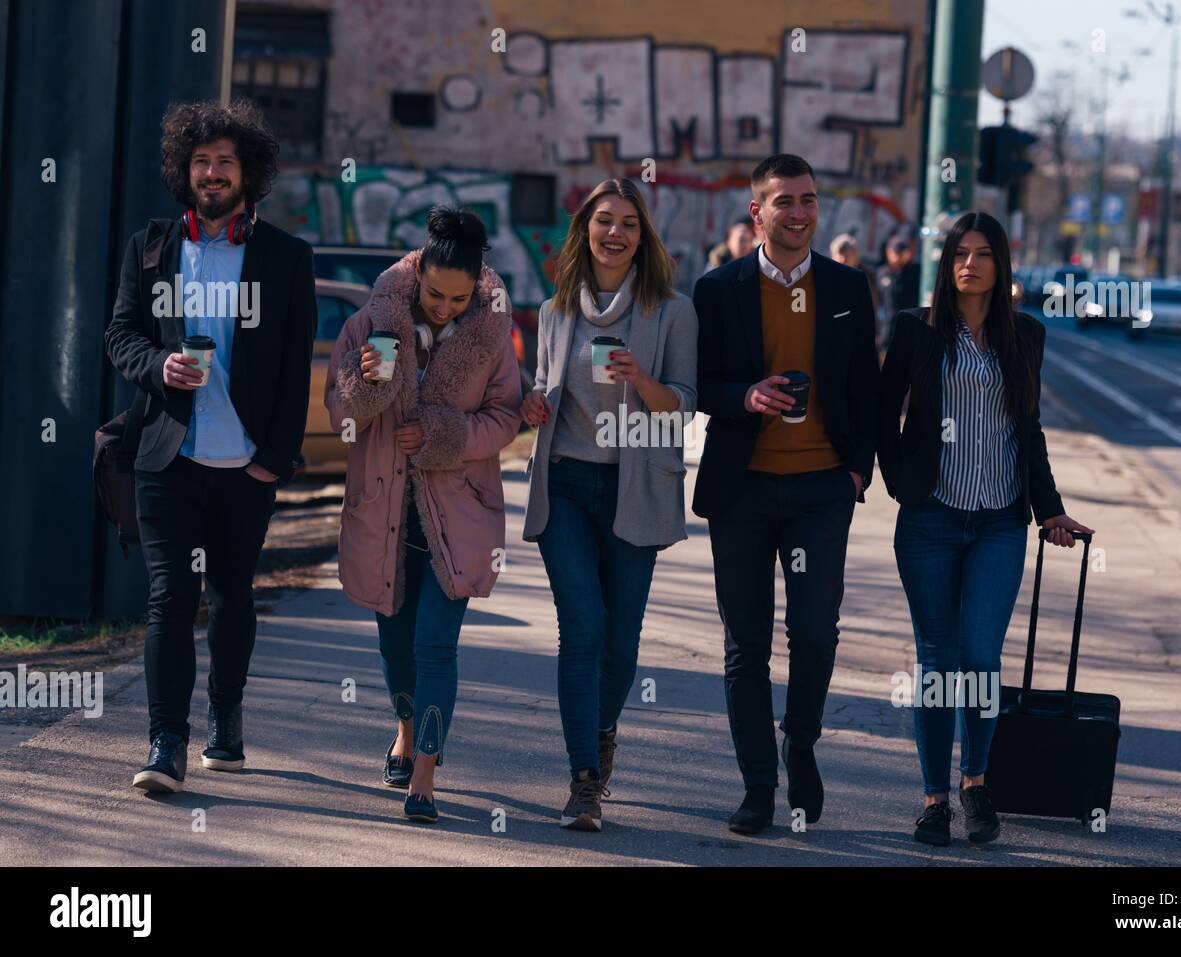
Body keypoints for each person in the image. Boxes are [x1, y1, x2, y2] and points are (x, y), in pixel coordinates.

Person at [105, 99, 316, 793]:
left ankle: (226, 716)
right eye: (201, 161)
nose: (213, 172)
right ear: (184, 171)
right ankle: (166, 741)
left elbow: (293, 369)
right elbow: (121, 335)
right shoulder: (154, 245)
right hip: (168, 456)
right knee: (170, 596)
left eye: (226, 160)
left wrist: (272, 457)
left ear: (247, 172)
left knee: (231, 596)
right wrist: (155, 366)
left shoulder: (286, 257)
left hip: (244, 464)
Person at [877, 211, 1093, 847]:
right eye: (959, 254)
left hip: (1000, 521)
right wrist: (900, 482)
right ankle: (933, 799)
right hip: (930, 521)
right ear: (946, 264)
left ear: (1002, 265)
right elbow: (882, 413)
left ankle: (975, 783)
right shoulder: (916, 329)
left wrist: (1048, 506)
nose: (969, 264)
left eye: (983, 254)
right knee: (938, 662)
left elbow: (1029, 431)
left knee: (978, 656)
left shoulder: (1025, 334)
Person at [692, 154, 878, 835]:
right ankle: (757, 785)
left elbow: (868, 388)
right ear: (757, 212)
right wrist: (742, 394)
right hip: (742, 490)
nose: (798, 213)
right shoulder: (718, 290)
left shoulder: (849, 287)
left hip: (822, 490)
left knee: (814, 630)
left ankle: (800, 742)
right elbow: (695, 383)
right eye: (783, 202)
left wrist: (856, 471)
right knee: (746, 645)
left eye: (807, 200)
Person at [324, 207, 522, 823]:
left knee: (436, 648)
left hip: (457, 519)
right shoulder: (369, 322)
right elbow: (341, 416)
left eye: (459, 298)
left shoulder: (491, 333)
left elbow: (506, 418)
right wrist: (364, 386)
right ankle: (404, 733)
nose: (445, 306)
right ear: (417, 275)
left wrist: (442, 433)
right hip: (383, 511)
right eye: (436, 293)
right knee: (395, 646)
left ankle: (426, 777)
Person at [520, 178, 698, 832]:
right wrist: (531, 404)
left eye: (627, 222)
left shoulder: (672, 311)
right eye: (603, 222)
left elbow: (685, 406)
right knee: (583, 629)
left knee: (621, 645)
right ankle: (583, 779)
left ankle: (601, 732)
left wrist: (642, 381)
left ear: (641, 234)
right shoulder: (554, 311)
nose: (615, 233)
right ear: (585, 231)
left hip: (636, 487)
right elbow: (542, 390)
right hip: (565, 483)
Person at [875, 232, 921, 349]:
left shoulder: (915, 272)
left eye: (900, 253)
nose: (896, 256)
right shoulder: (881, 273)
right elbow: (877, 302)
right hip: (886, 329)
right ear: (888, 252)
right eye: (894, 252)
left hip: (910, 329)